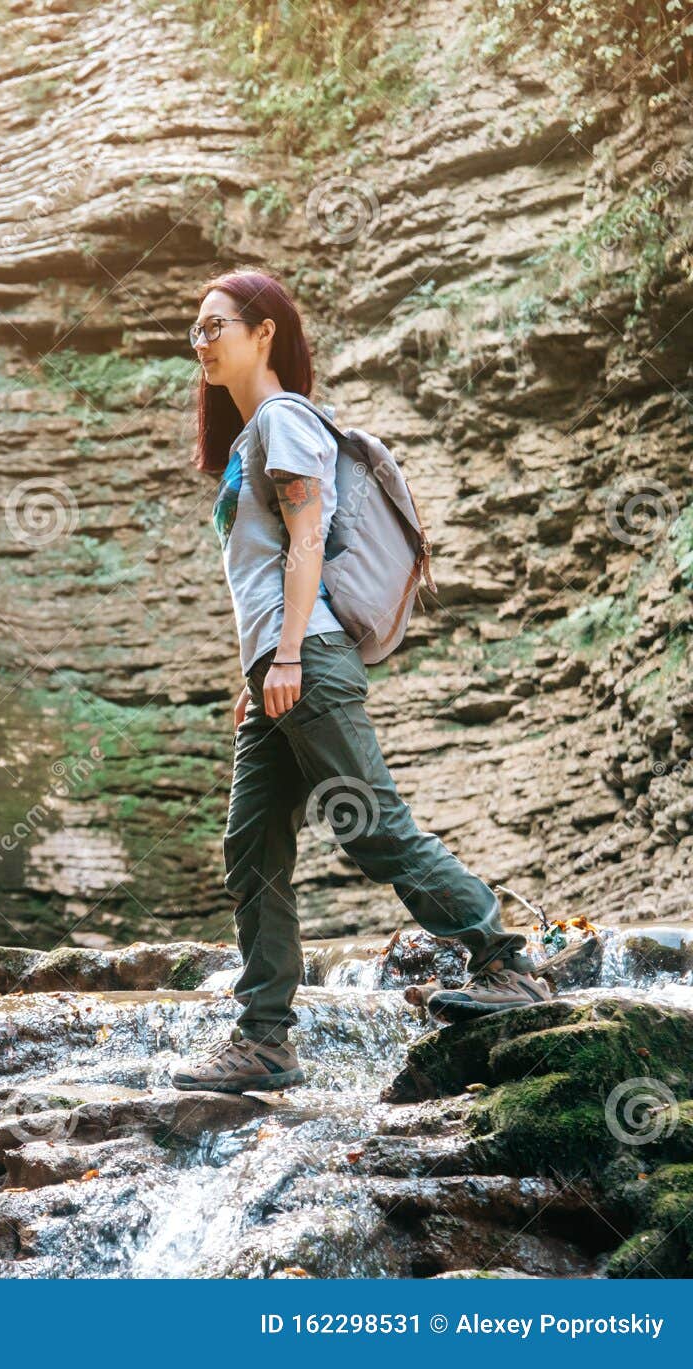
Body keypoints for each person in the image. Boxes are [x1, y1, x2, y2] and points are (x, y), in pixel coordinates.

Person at [171, 269, 554, 1095]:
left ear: (263, 331)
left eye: (215, 327)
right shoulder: (248, 440)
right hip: (277, 672)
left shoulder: (282, 419)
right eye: (194, 332)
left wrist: (287, 655)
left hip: (306, 664)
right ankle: (265, 1038)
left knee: (370, 820)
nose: (201, 343)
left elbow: (308, 539)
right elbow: (266, 566)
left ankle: (502, 958)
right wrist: (259, 669)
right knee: (251, 846)